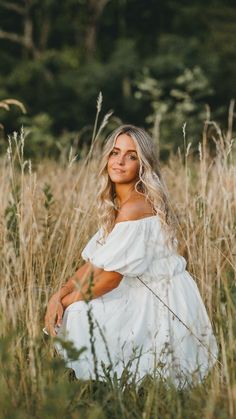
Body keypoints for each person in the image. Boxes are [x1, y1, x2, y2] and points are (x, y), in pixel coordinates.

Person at [44, 124, 218, 388]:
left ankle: (98, 385)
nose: (120, 161)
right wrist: (59, 294)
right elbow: (95, 264)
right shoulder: (120, 204)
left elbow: (110, 279)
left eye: (131, 156)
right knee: (74, 307)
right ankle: (89, 378)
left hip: (160, 299)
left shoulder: (136, 206)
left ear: (143, 164)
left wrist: (66, 302)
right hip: (141, 289)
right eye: (115, 153)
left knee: (79, 311)